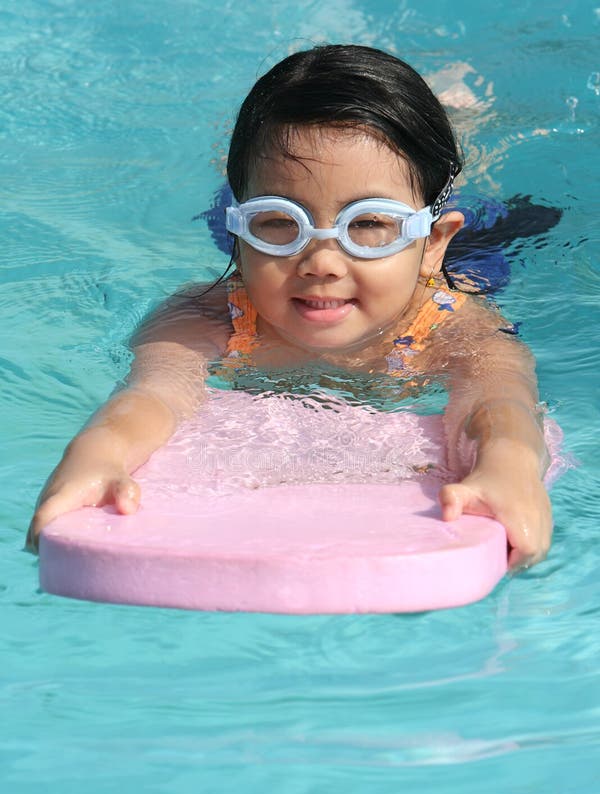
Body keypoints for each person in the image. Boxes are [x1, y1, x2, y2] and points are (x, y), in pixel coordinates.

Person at [27, 44, 552, 570]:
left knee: (473, 217)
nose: (321, 262)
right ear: (245, 227)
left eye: (369, 223)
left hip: (462, 258)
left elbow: (497, 400)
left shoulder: (453, 328)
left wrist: (510, 466)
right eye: (276, 220)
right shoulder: (212, 315)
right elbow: (153, 393)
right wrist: (97, 455)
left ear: (431, 241)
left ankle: (466, 124)